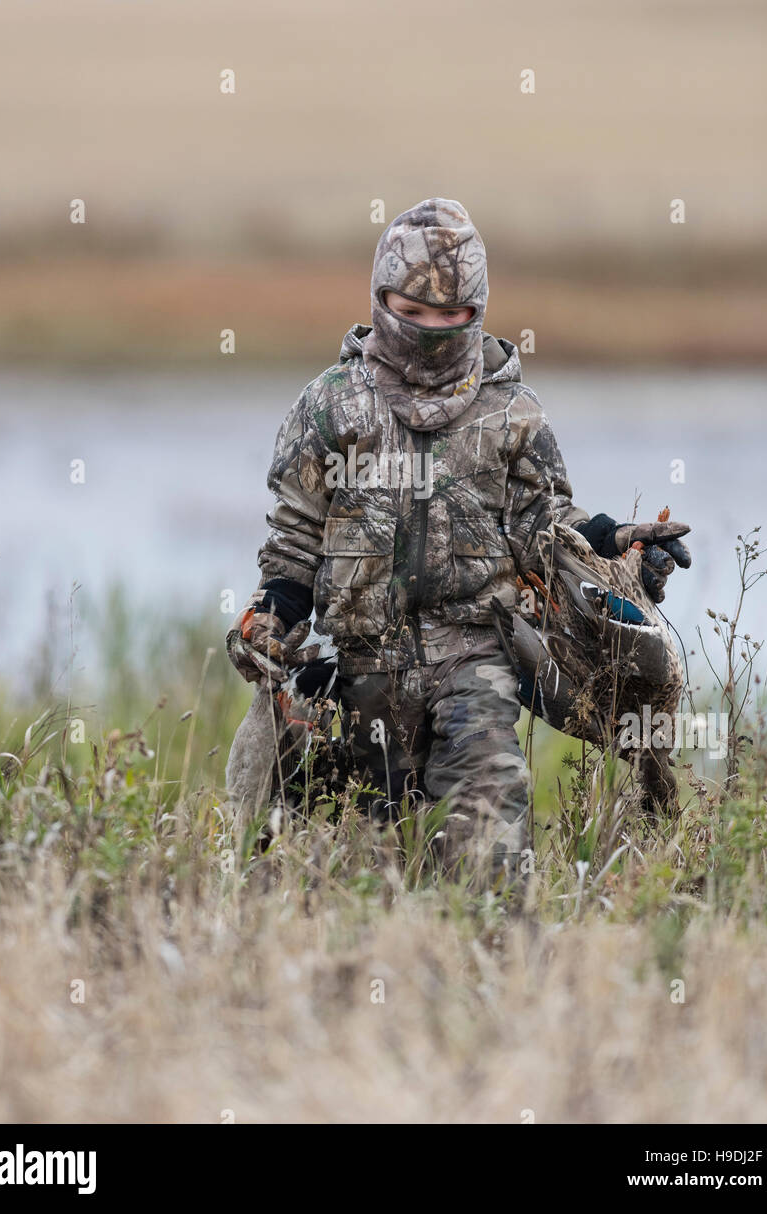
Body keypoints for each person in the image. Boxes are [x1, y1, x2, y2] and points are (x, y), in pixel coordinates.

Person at [227, 198, 690, 881]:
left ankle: (493, 965)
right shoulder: (330, 406)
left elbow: (546, 530)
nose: (431, 329)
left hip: (477, 664)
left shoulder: (512, 415)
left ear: (477, 310)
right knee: (329, 867)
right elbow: (294, 542)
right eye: (413, 312)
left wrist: (617, 551)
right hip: (354, 667)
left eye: (451, 316)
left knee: (487, 868)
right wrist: (268, 620)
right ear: (381, 299)